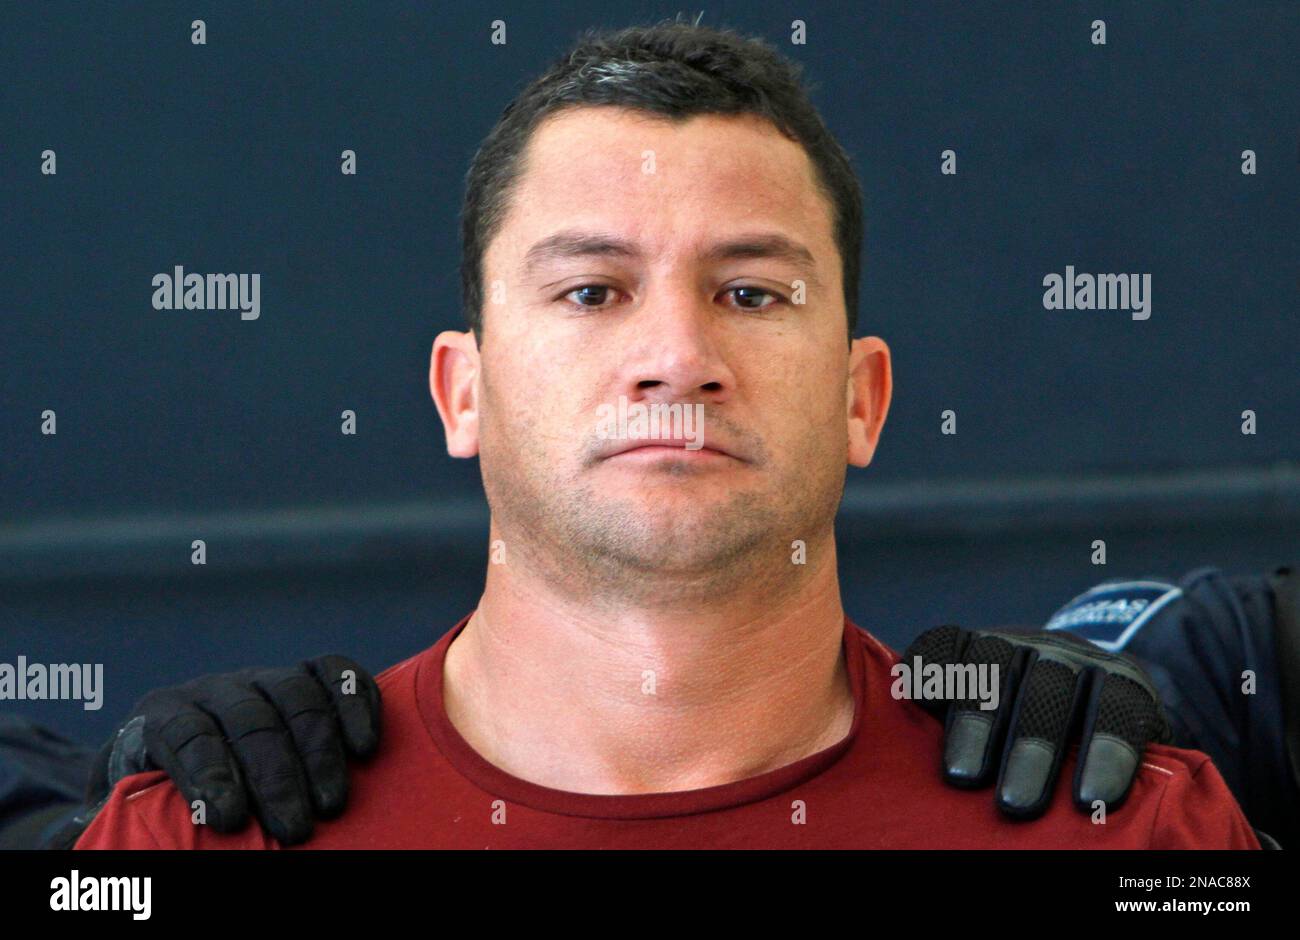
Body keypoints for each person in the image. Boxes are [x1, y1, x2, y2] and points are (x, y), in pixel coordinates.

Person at [72, 20, 1256, 849]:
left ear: (863, 398)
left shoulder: (1134, 833)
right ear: (460, 392)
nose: (677, 356)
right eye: (591, 291)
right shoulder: (184, 841)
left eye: (750, 292)